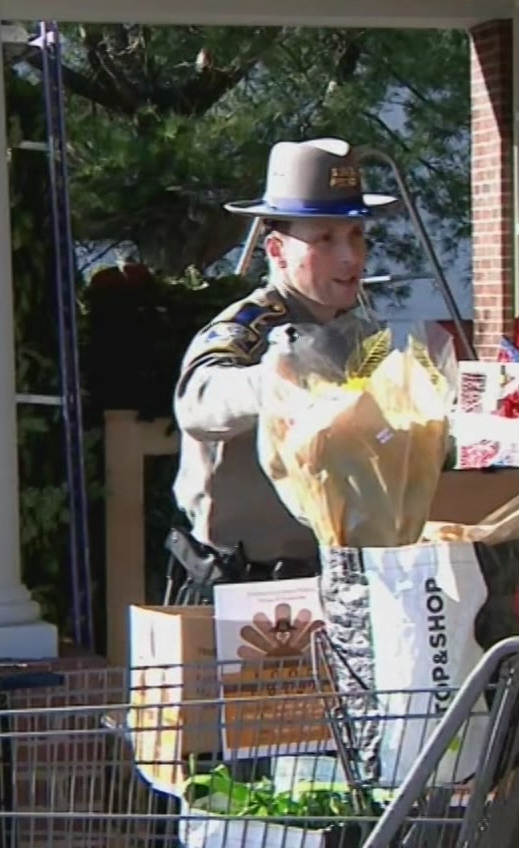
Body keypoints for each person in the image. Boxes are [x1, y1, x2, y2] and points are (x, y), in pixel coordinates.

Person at [166, 137, 395, 605]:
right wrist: (275, 382)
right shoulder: (249, 328)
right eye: (325, 240)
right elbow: (199, 401)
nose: (350, 257)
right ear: (276, 249)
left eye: (355, 235)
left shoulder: (366, 338)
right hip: (242, 590)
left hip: (342, 584)